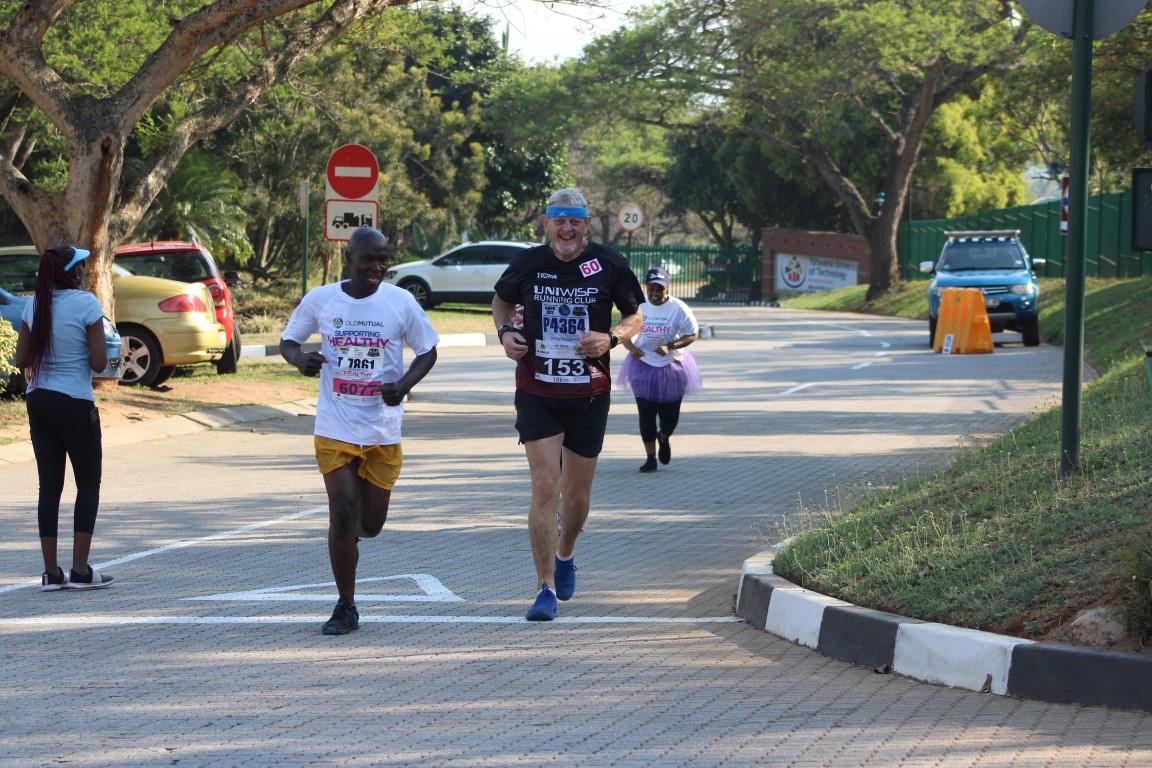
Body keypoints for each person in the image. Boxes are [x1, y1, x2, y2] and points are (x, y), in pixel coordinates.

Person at [492, 187, 645, 621]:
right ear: (546, 223)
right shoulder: (527, 263)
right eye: (559, 220)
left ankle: (565, 553)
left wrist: (611, 337)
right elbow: (502, 300)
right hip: (537, 391)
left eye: (574, 221)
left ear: (586, 224)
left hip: (588, 394)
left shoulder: (609, 263)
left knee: (576, 499)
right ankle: (544, 588)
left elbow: (635, 315)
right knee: (545, 487)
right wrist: (505, 333)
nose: (566, 229)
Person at [280, 227, 439, 635]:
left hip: (382, 429)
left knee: (369, 524)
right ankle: (346, 605)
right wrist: (299, 359)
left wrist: (403, 385)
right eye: (369, 259)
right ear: (349, 259)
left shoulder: (400, 302)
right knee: (343, 510)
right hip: (335, 425)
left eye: (384, 259)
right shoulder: (322, 299)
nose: (378, 267)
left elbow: (428, 350)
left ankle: (351, 540)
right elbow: (289, 341)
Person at [14, 245, 114, 590]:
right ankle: (81, 570)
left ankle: (50, 573)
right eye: (80, 266)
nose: (83, 271)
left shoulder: (34, 304)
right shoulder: (86, 303)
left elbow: (20, 359)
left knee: (49, 487)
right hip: (74, 402)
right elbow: (99, 362)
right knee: (87, 483)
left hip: (38, 401)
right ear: (71, 272)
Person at [617, 267, 703, 472]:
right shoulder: (638, 306)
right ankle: (650, 458)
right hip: (643, 365)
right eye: (651, 288)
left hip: (672, 367)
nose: (655, 293)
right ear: (645, 287)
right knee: (646, 414)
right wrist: (632, 348)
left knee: (670, 416)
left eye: (660, 289)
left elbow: (692, 334)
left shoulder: (678, 307)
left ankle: (664, 436)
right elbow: (623, 330)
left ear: (667, 288)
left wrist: (670, 345)